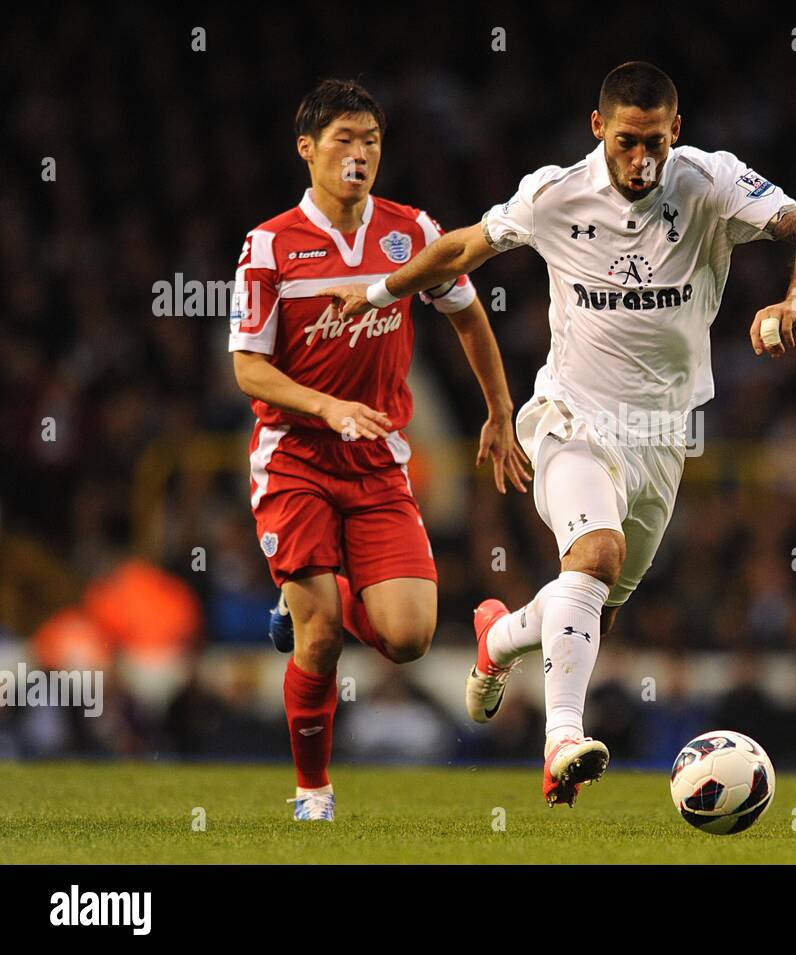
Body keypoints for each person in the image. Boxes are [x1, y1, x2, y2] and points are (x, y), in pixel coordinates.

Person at [325, 61, 796, 806]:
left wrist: (794, 300)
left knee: (595, 600)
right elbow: (463, 249)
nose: (643, 160)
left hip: (662, 438)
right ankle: (562, 737)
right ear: (599, 128)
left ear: (677, 132)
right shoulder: (554, 193)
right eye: (628, 141)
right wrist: (377, 290)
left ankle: (498, 639)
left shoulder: (710, 182)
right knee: (595, 555)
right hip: (572, 417)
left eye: (656, 142)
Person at [229, 79, 530, 821]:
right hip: (294, 457)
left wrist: (499, 408)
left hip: (379, 463)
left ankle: (307, 609)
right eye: (343, 140)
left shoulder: (411, 231)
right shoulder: (269, 245)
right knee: (322, 634)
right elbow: (248, 366)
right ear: (308, 150)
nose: (359, 154)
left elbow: (466, 315)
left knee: (408, 638)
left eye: (371, 140)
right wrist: (327, 405)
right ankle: (313, 791)